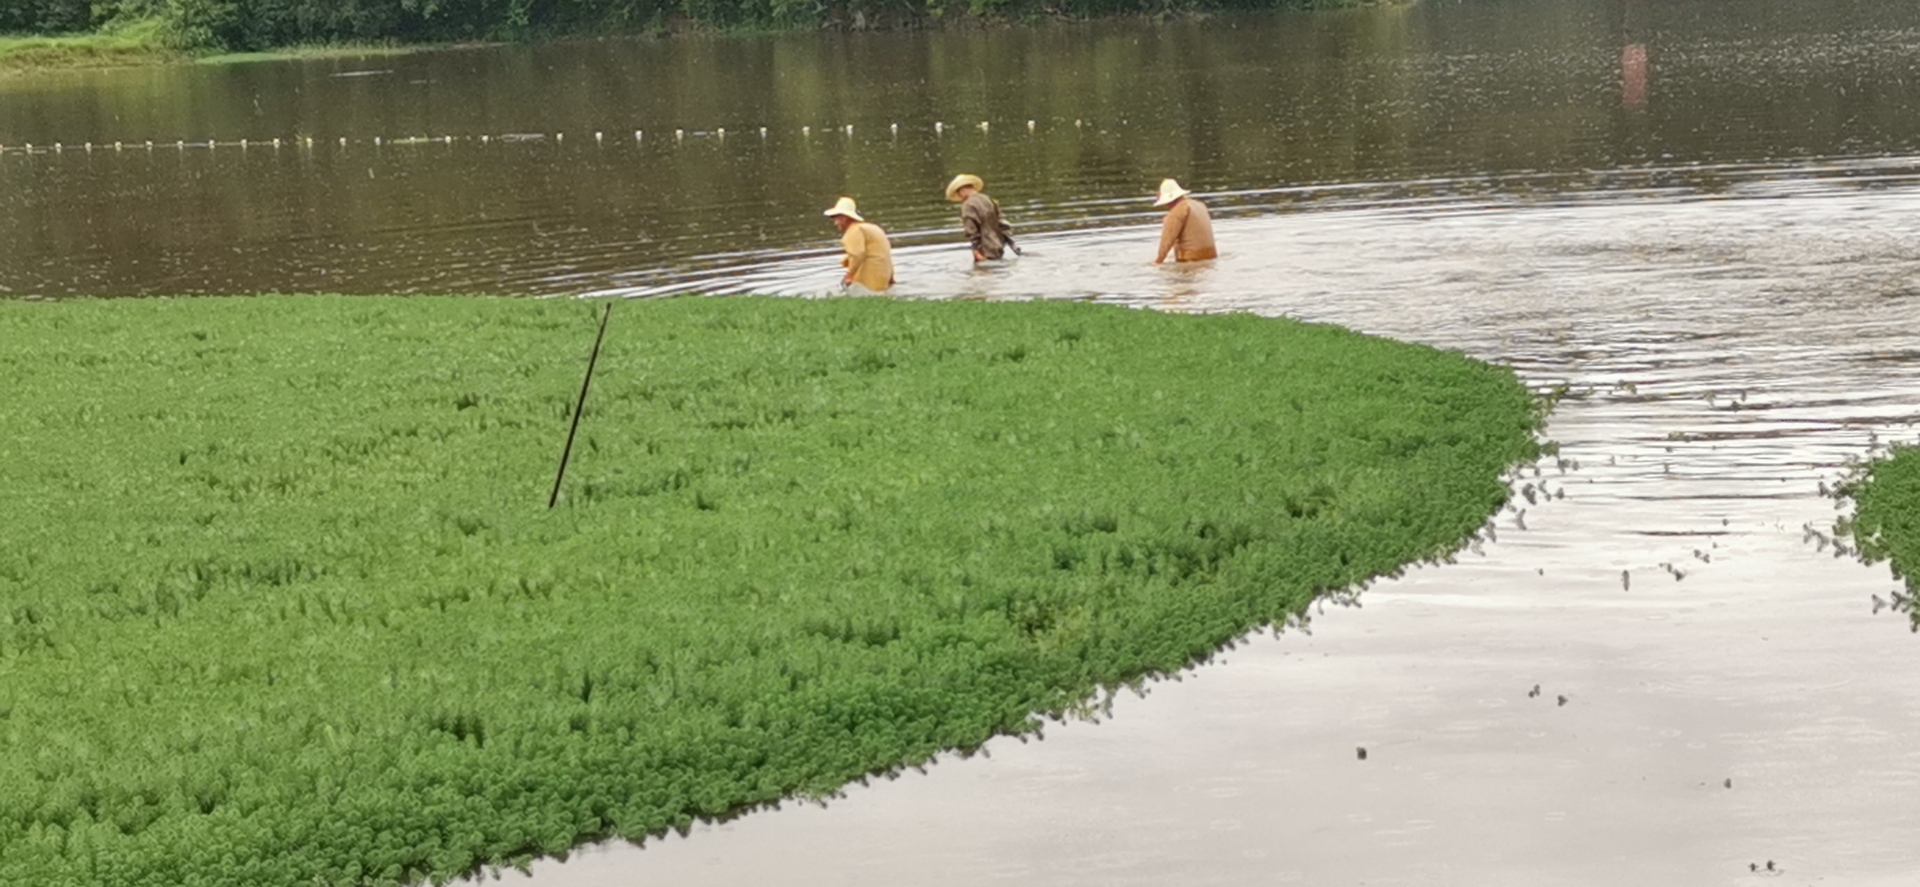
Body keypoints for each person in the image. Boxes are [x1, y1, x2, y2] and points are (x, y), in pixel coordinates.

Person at [824, 196, 894, 292]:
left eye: (837, 219)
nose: (835, 223)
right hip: (884, 277)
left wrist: (850, 275)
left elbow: (857, 254)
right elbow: (885, 254)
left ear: (845, 217)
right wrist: (891, 278)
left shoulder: (854, 231)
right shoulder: (873, 228)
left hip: (869, 281)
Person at [944, 173, 1017, 262]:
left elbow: (972, 230)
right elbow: (1002, 221)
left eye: (959, 194)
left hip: (985, 247)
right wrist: (1010, 241)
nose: (960, 197)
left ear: (962, 190)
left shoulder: (967, 205)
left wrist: (976, 250)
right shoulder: (988, 199)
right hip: (998, 243)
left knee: (983, 272)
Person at [1152, 178, 1217, 264]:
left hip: (1190, 263)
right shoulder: (1200, 205)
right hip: (1211, 259)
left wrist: (1157, 262)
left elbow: (1166, 244)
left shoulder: (1176, 212)